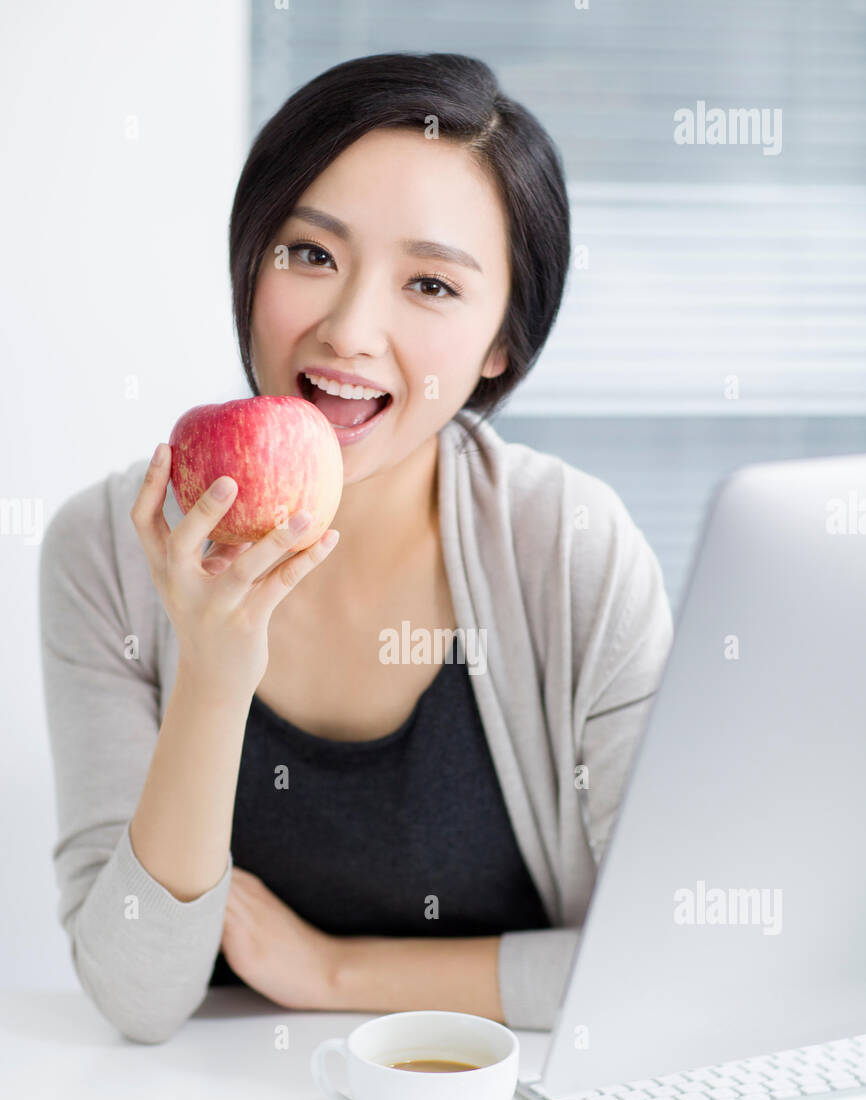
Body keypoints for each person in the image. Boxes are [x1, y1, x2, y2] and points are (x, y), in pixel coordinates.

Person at [39, 52, 673, 1043]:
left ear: (501, 341)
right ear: (252, 263)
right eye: (310, 254)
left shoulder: (570, 551)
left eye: (428, 282)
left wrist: (330, 971)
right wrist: (210, 677)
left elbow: (659, 957)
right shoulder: (110, 550)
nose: (349, 329)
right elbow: (135, 991)